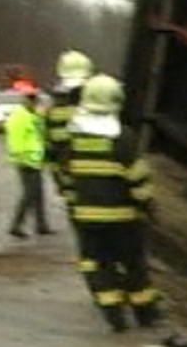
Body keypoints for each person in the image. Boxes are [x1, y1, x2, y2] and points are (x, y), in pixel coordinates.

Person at [63, 74, 162, 332]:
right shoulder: (123, 137)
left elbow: (67, 178)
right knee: (133, 264)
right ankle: (146, 315)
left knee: (96, 264)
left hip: (87, 220)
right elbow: (138, 178)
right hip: (122, 219)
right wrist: (147, 205)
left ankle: (113, 313)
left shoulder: (73, 138)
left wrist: (75, 208)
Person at [44, 50, 94, 199]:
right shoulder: (97, 108)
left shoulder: (53, 111)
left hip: (71, 181)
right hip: (96, 181)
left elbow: (50, 151)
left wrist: (61, 182)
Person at [5, 88, 51, 238]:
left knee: (38, 193)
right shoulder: (19, 117)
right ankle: (16, 225)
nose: (33, 103)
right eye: (31, 100)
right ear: (25, 101)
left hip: (35, 160)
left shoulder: (34, 115)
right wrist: (22, 158)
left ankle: (41, 225)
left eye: (35, 100)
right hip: (25, 161)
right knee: (30, 193)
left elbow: (39, 135)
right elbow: (15, 140)